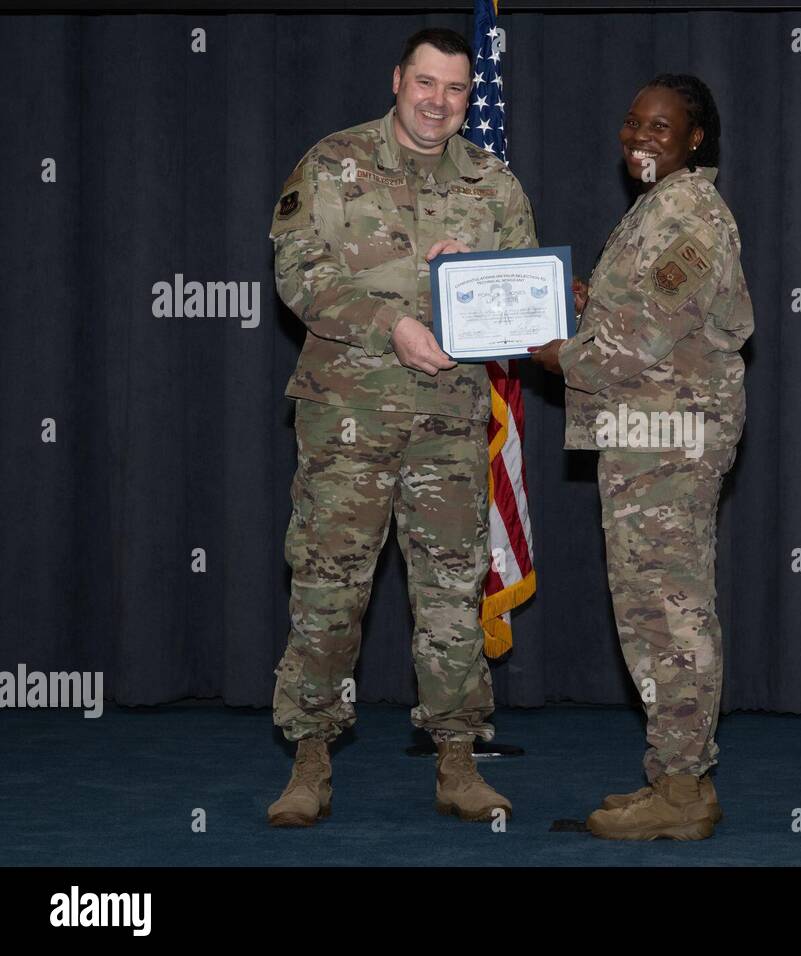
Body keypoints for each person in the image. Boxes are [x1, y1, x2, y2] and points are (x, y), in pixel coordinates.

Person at [265, 28, 536, 827]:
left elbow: (524, 305)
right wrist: (390, 323)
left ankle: (458, 759)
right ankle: (309, 759)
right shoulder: (331, 163)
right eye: (425, 83)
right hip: (346, 419)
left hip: (451, 423)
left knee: (454, 594)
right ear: (397, 80)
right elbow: (297, 271)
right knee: (327, 592)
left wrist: (473, 275)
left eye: (455, 90)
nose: (439, 103)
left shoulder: (495, 185)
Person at [531, 74, 752, 841]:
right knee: (650, 612)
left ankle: (688, 789)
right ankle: (672, 773)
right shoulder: (655, 210)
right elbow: (644, 317)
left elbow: (642, 340)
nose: (640, 136)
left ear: (696, 138)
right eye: (632, 122)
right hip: (645, 436)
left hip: (669, 441)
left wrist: (566, 354)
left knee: (671, 611)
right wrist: (589, 304)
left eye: (661, 126)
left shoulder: (688, 212)